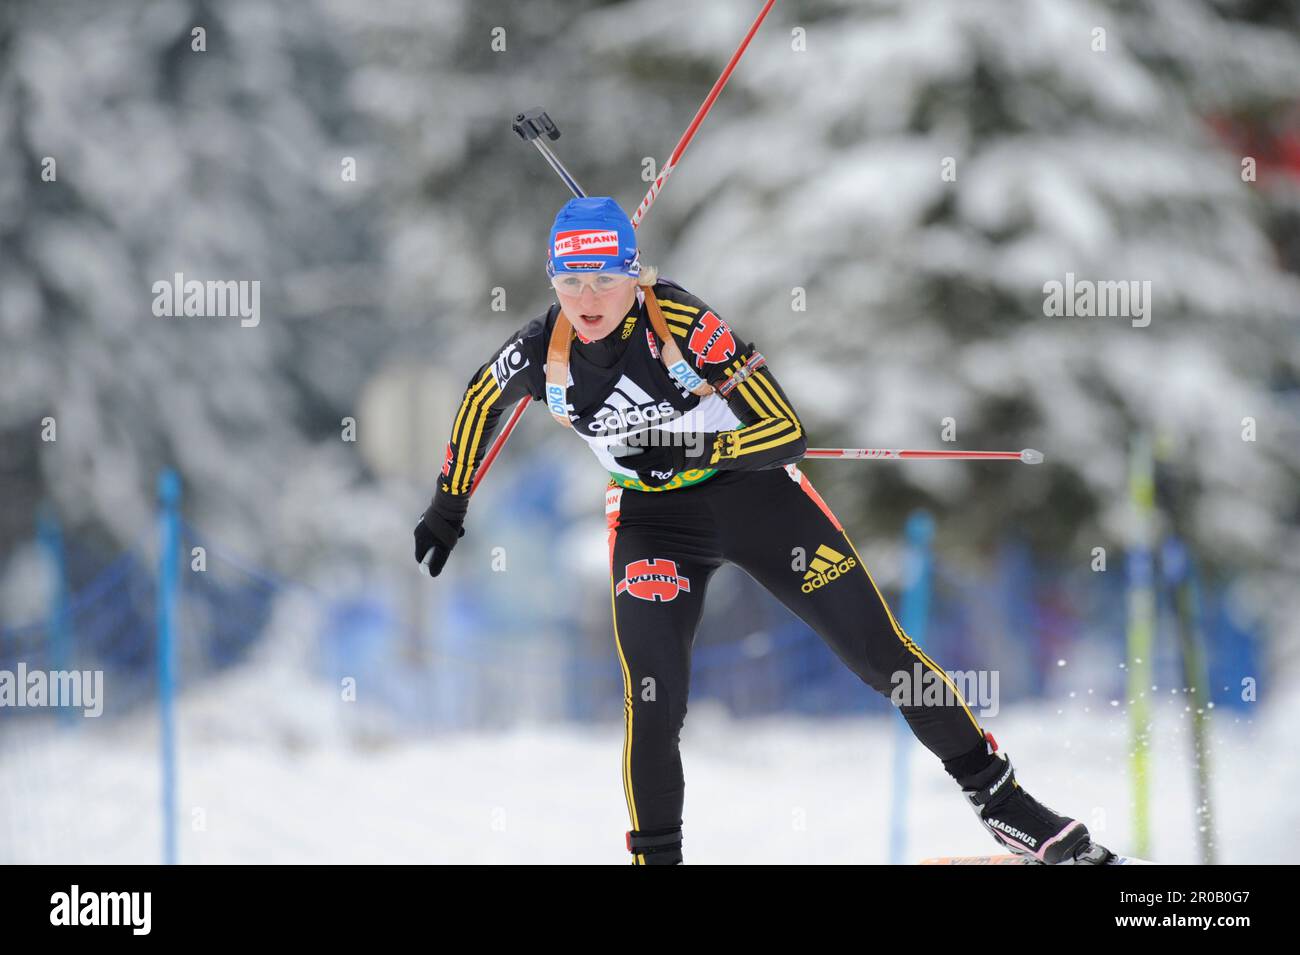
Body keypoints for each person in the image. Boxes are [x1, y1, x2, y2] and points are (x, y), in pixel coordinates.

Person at [415, 196, 1107, 865]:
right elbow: (481, 398)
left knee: (881, 654)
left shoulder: (681, 320)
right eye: (570, 280)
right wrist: (450, 506)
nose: (587, 297)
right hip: (654, 525)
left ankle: (1004, 803)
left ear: (634, 275)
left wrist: (700, 450)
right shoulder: (544, 348)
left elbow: (785, 430)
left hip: (756, 498)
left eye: (604, 277)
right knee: (653, 700)